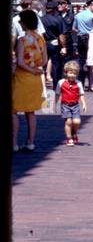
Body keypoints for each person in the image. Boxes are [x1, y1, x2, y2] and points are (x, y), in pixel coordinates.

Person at [12, 10, 47, 151]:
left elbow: (20, 61)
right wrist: (36, 69)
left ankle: (14, 143)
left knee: (14, 110)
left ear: (24, 23)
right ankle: (30, 142)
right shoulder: (40, 39)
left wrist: (30, 69)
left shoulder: (22, 40)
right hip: (35, 79)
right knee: (31, 112)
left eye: (21, 21)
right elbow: (44, 60)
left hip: (21, 78)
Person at [58, 60, 86, 146]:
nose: (72, 75)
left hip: (75, 105)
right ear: (66, 72)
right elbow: (57, 93)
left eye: (75, 73)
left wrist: (84, 103)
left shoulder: (78, 83)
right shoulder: (61, 82)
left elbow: (81, 94)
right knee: (68, 122)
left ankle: (74, 132)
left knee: (77, 122)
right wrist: (54, 104)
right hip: (65, 105)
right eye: (70, 73)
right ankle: (69, 138)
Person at [72, 0, 93, 88]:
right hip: (90, 38)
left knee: (81, 60)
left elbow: (73, 28)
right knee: (91, 60)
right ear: (89, 5)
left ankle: (81, 82)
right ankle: (91, 83)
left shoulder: (78, 15)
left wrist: (80, 30)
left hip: (80, 38)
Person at [40, 0, 66, 86]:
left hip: (44, 43)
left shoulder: (41, 19)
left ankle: (41, 84)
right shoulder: (59, 20)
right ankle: (56, 85)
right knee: (56, 65)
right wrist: (63, 47)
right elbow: (61, 35)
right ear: (55, 9)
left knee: (43, 64)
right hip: (54, 44)